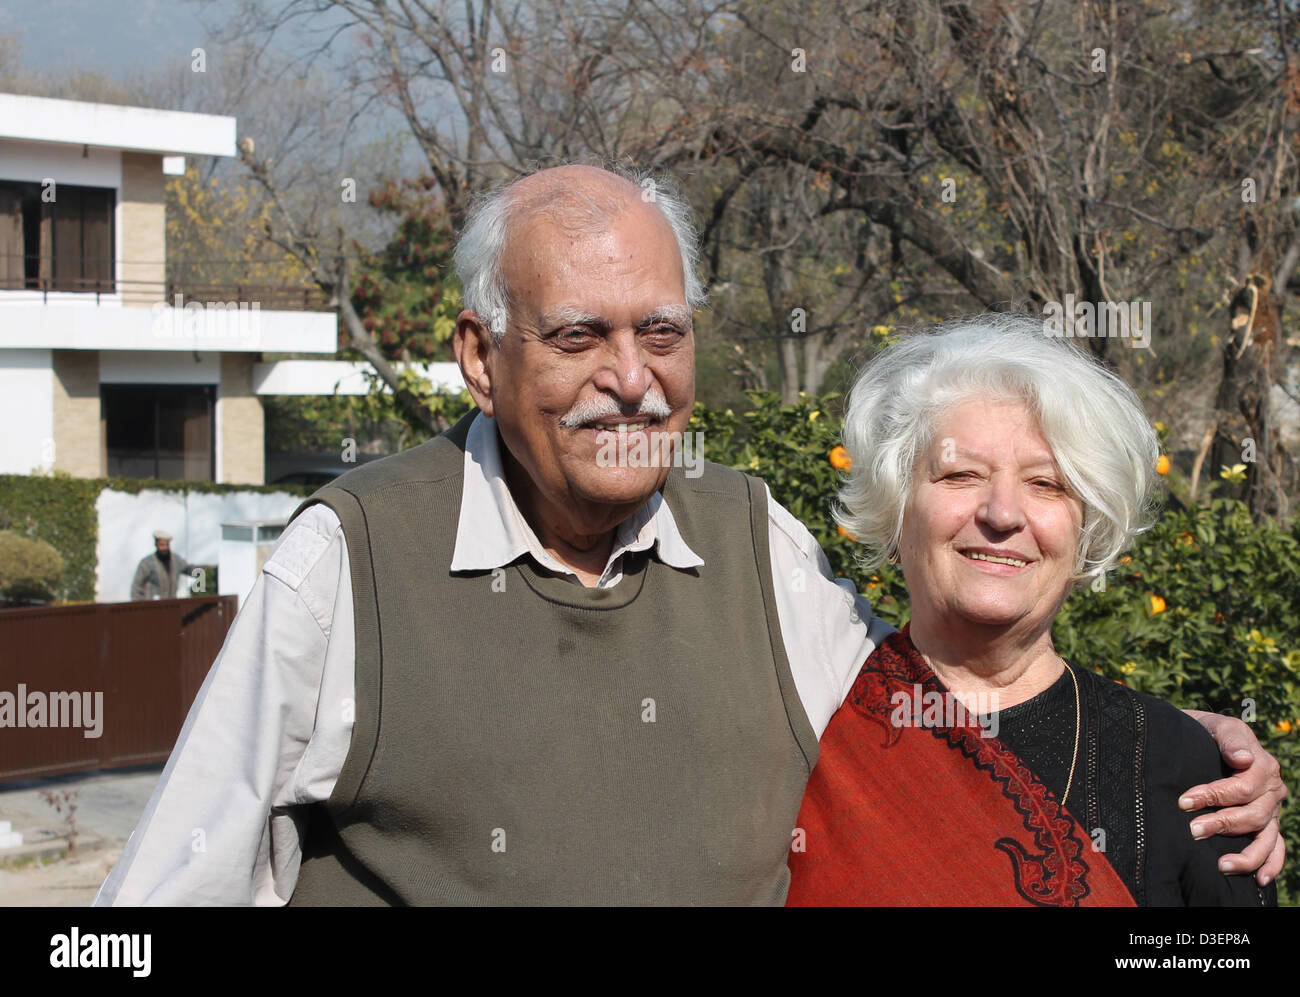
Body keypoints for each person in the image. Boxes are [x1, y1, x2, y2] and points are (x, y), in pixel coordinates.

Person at [95, 165, 1284, 906]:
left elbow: (945, 709)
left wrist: (1191, 754)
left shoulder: (752, 542)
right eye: (577, 337)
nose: (631, 380)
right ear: (476, 355)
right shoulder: (347, 562)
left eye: (661, 332)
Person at [786, 314, 1282, 906]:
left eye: (1046, 485)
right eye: (960, 474)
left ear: (1087, 531)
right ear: (895, 512)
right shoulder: (808, 720)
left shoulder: (1181, 763)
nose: (1002, 514)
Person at [130, 530, 196, 601]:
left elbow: (189, 569)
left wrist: (205, 570)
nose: (165, 548)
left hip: (171, 605)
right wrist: (139, 606)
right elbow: (136, 587)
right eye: (162, 545)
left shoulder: (176, 561)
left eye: (167, 545)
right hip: (151, 607)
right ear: (156, 545)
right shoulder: (147, 563)